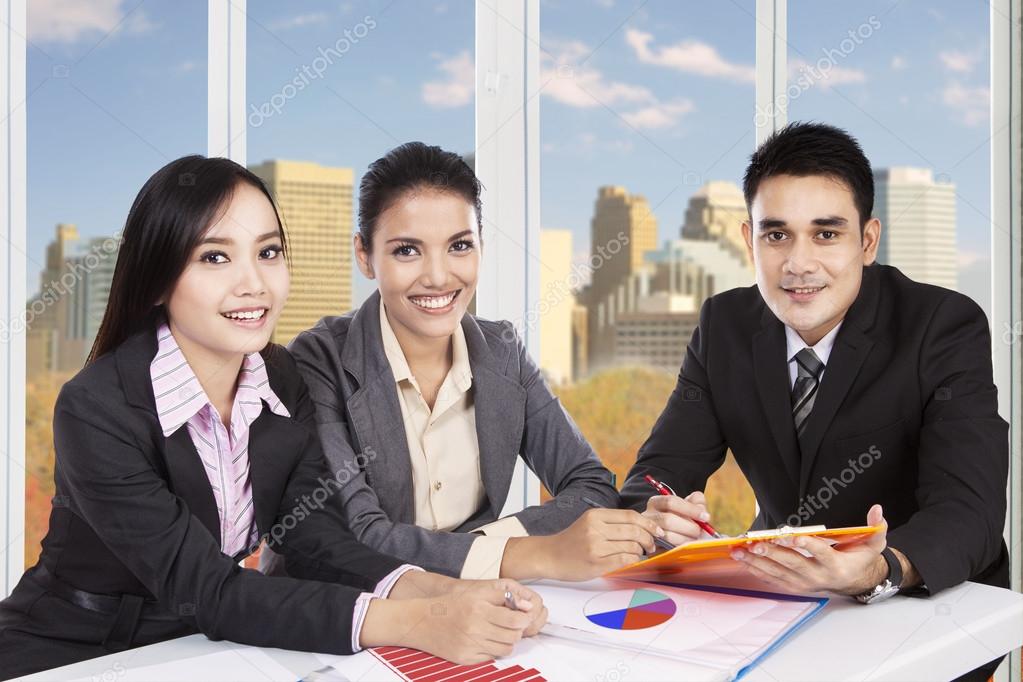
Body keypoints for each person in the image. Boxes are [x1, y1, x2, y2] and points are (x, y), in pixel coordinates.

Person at [0, 155, 545, 680]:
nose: (253, 284)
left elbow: (317, 538)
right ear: (160, 278)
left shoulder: (281, 379)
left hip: (203, 644)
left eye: (268, 253)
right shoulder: (96, 408)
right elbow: (207, 588)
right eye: (215, 257)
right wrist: (422, 622)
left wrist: (448, 592)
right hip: (69, 647)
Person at [622, 122, 1008, 680]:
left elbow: (969, 509)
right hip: (783, 598)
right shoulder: (723, 324)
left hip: (922, 595)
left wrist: (874, 570)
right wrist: (658, 515)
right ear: (747, 239)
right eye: (776, 235)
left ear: (867, 241)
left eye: (826, 234)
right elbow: (657, 473)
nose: (798, 264)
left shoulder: (943, 325)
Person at [260, 142, 664, 583]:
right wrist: (535, 554)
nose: (438, 275)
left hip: (463, 603)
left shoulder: (502, 351)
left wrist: (489, 550)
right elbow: (356, 535)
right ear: (365, 256)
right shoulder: (319, 360)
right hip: (336, 611)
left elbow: (591, 485)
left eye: (459, 246)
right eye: (407, 251)